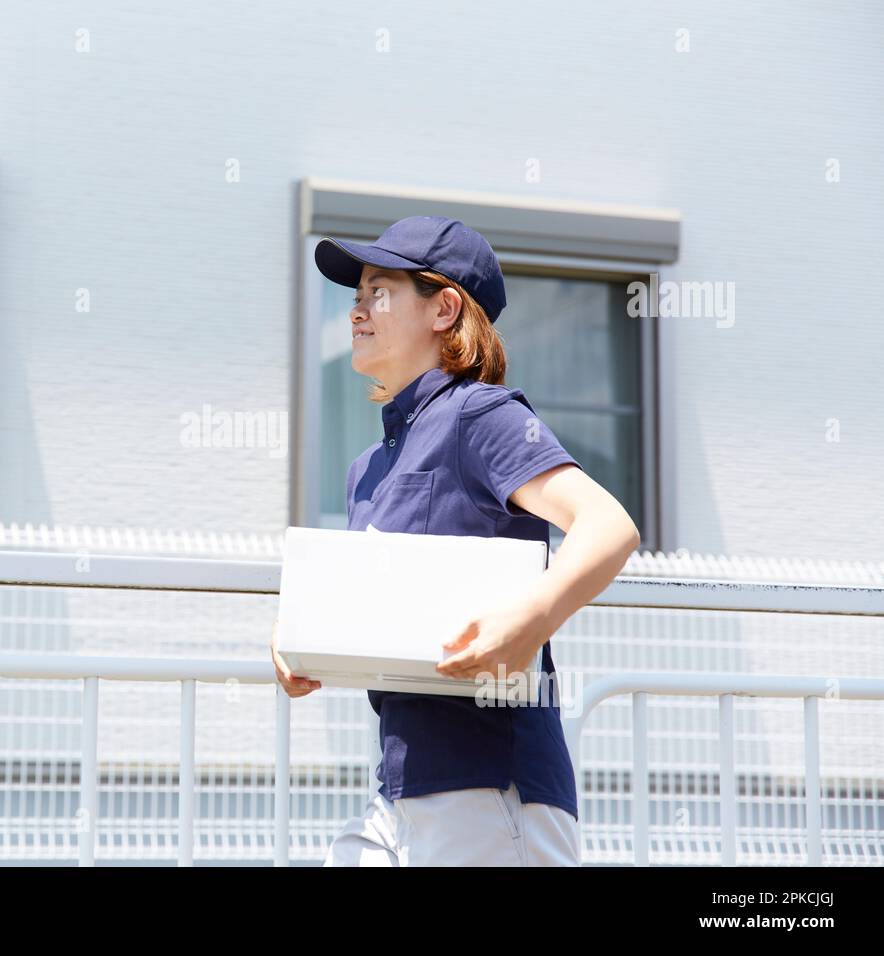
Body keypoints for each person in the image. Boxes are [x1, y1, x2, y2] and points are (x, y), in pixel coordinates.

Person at [269, 215, 640, 866]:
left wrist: (531, 617)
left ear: (444, 308)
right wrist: (298, 638)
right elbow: (373, 602)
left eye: (377, 292)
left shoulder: (481, 415)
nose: (356, 311)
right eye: (355, 297)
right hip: (399, 791)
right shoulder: (368, 467)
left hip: (491, 788)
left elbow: (608, 525)